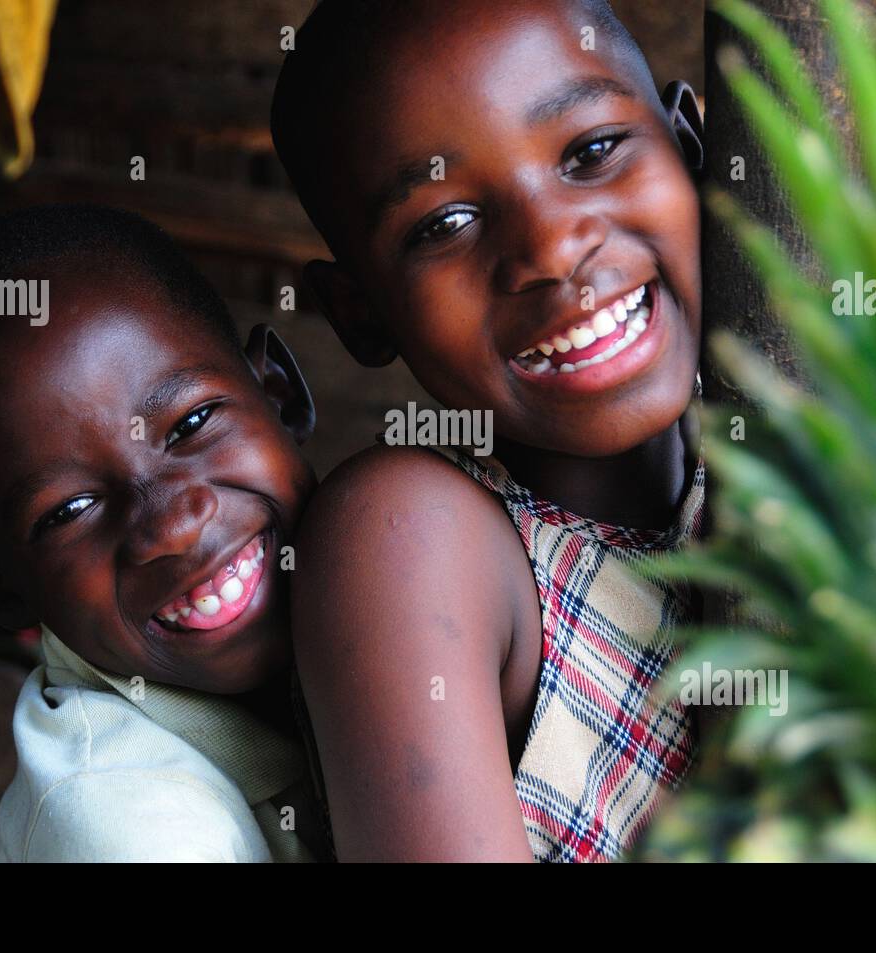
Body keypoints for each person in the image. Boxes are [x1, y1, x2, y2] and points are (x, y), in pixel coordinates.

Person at [271, 0, 708, 861]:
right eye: (444, 225)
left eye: (589, 152)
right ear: (360, 313)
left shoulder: (789, 457)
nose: (549, 246)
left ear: (690, 148)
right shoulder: (412, 539)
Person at [0, 204, 324, 861]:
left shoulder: (401, 571)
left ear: (279, 393)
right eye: (69, 510)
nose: (170, 524)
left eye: (192, 423)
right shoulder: (121, 822)